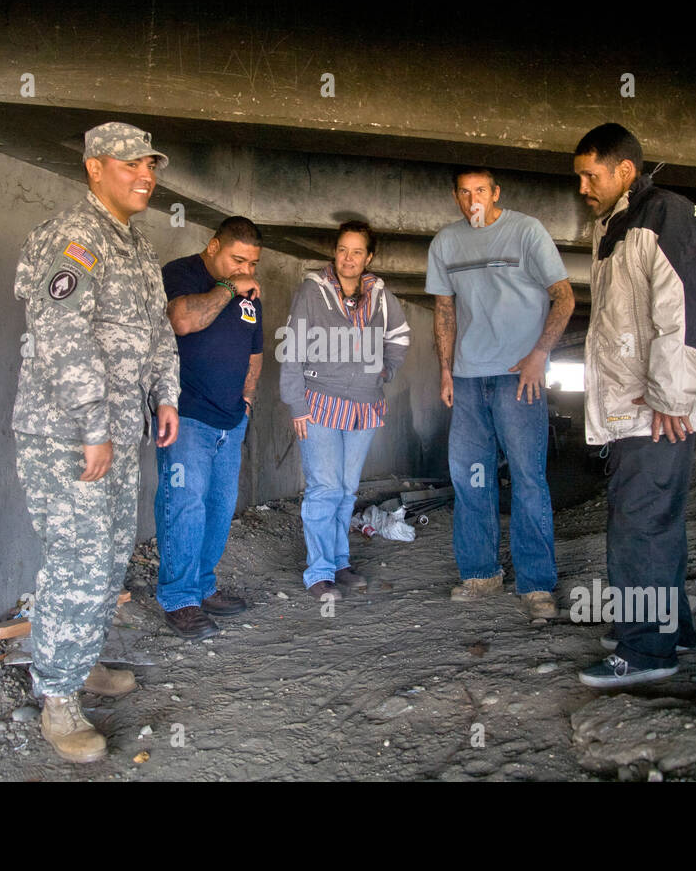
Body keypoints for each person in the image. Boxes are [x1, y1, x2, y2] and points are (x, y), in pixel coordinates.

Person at [12, 121, 180, 762]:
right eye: (131, 163)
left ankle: (79, 661)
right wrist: (94, 425)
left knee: (108, 557)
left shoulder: (135, 245)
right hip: (69, 433)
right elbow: (60, 333)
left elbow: (157, 331)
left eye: (151, 165)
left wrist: (166, 395)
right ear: (94, 168)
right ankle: (57, 699)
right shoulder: (75, 237)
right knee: (77, 560)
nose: (146, 174)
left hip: (115, 430)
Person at [572, 123, 696, 687]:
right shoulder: (618, 226)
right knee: (654, 520)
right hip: (637, 403)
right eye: (580, 177)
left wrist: (671, 395)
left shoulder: (666, 215)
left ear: (624, 171)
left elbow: (689, 311)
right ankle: (670, 629)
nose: (583, 187)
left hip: (657, 406)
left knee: (639, 523)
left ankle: (645, 653)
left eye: (591, 175)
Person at [426, 168, 574, 625]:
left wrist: (539, 356)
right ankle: (481, 574)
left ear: (496, 194)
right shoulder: (446, 243)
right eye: (464, 192)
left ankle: (536, 584)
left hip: (518, 377)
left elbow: (564, 297)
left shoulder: (526, 231)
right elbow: (445, 309)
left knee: (529, 480)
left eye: (481, 192)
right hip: (469, 379)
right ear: (456, 197)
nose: (473, 200)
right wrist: (446, 370)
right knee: (471, 477)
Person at [279, 222, 410, 599]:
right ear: (334, 253)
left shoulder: (381, 297)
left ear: (368, 257)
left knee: (347, 490)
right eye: (341, 250)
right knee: (324, 488)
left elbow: (399, 338)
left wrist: (385, 369)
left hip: (365, 407)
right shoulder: (312, 291)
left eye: (356, 252)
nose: (348, 259)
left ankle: (339, 562)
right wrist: (296, 404)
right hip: (319, 402)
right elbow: (292, 348)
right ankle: (319, 571)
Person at [155, 217, 265, 639]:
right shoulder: (181, 273)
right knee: (183, 502)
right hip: (186, 414)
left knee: (220, 506)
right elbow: (183, 321)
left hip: (231, 418)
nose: (245, 270)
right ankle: (179, 598)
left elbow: (254, 351)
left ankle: (201, 586)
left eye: (252, 263)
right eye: (237, 259)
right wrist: (228, 288)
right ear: (213, 245)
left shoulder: (249, 291)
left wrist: (248, 400)